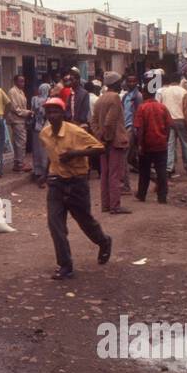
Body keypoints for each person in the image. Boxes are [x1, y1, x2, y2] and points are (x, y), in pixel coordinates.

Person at [39, 97, 112, 280]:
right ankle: (65, 265)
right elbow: (51, 154)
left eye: (56, 111)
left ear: (63, 113)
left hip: (77, 182)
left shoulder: (75, 132)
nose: (52, 115)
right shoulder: (45, 134)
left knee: (84, 221)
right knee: (55, 225)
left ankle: (103, 241)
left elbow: (100, 148)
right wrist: (44, 173)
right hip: (56, 182)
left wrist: (75, 154)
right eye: (49, 112)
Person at [93, 72, 131, 214]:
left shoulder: (101, 98)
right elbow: (110, 121)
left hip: (103, 142)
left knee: (105, 174)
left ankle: (106, 204)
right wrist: (107, 137)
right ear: (115, 83)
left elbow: (94, 121)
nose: (122, 85)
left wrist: (99, 136)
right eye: (120, 82)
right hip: (113, 142)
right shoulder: (115, 97)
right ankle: (115, 205)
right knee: (115, 174)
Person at [134, 84, 171, 204]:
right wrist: (166, 139)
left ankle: (141, 194)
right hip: (161, 143)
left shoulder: (142, 108)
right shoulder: (163, 107)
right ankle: (162, 197)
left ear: (144, 94)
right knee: (161, 171)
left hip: (147, 144)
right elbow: (169, 125)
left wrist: (139, 144)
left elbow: (139, 128)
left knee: (144, 171)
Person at [158, 73, 187, 178]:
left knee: (170, 145)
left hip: (168, 120)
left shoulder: (164, 92)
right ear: (179, 80)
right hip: (180, 120)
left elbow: (161, 107)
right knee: (185, 144)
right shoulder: (184, 92)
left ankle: (169, 168)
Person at [6, 75, 32, 172]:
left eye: (23, 81)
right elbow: (15, 108)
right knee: (20, 142)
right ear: (15, 81)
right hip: (17, 120)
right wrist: (27, 112)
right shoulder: (12, 92)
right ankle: (19, 163)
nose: (22, 83)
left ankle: (18, 162)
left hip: (22, 120)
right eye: (20, 81)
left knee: (20, 141)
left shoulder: (21, 92)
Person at [121, 74, 142, 193]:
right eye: (129, 81)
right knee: (131, 159)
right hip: (125, 128)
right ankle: (156, 178)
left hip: (132, 129)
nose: (131, 83)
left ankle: (125, 185)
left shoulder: (137, 97)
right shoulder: (125, 96)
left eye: (133, 81)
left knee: (123, 157)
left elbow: (139, 114)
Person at [29, 81, 52, 186]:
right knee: (45, 151)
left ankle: (37, 171)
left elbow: (32, 112)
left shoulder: (34, 99)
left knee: (36, 150)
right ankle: (45, 172)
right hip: (46, 128)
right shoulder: (49, 100)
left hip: (35, 128)